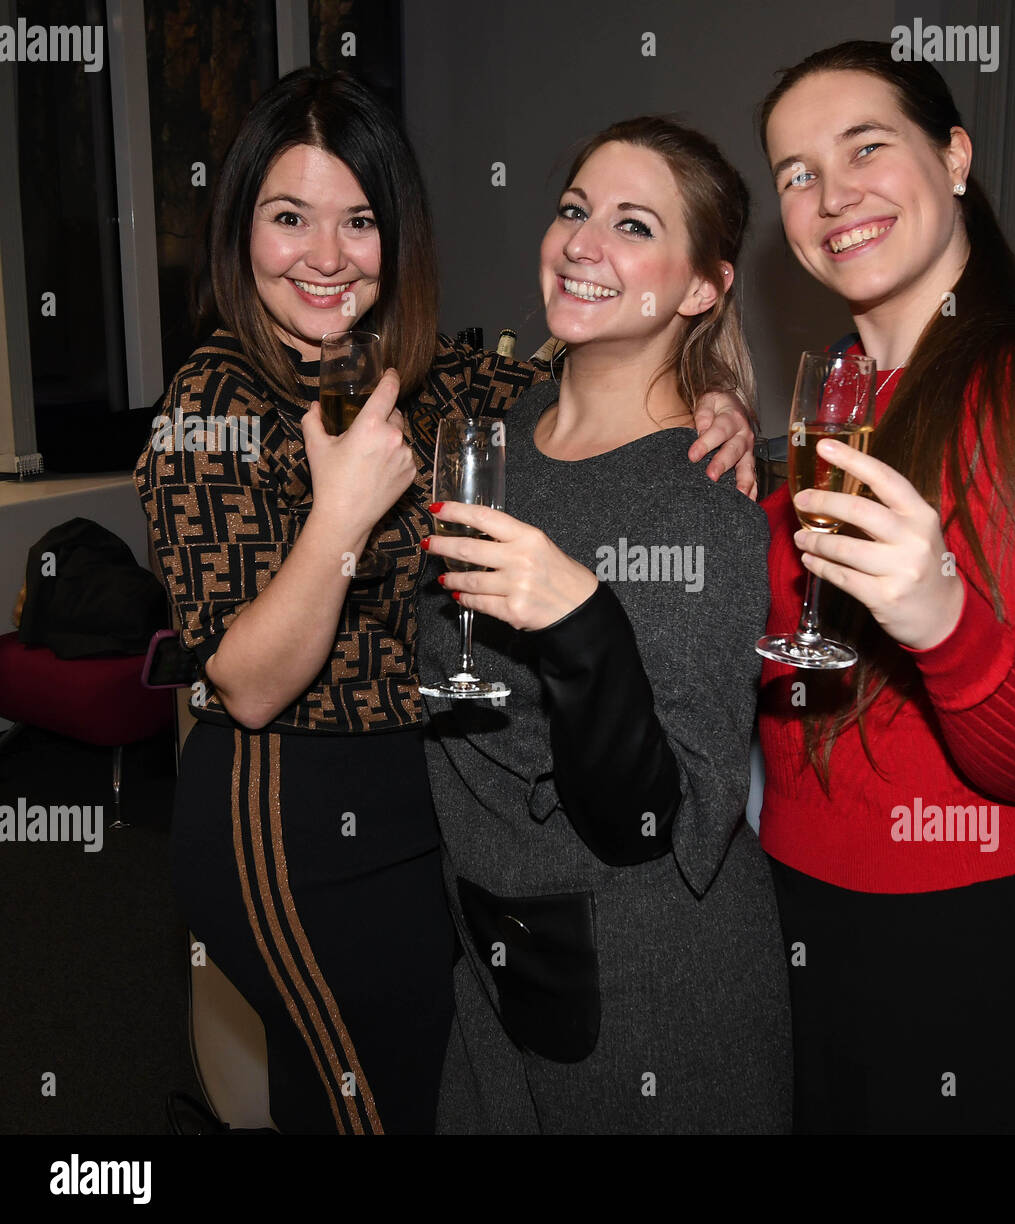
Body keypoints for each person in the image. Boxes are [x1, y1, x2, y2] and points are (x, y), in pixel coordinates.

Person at [134, 69, 756, 1134]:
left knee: (400, 1089)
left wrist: (714, 394)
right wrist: (338, 517)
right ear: (241, 228)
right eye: (290, 218)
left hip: (415, 812)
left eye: (359, 221)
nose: (326, 257)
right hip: (290, 819)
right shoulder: (214, 402)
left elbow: (589, 399)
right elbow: (244, 685)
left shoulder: (431, 379)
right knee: (366, 1105)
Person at [755, 41, 1015, 1133]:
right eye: (795, 173)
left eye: (866, 148)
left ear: (954, 156)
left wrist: (943, 622)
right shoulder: (836, 401)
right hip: (797, 918)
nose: (830, 196)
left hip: (965, 952)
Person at [419, 116, 791, 1134]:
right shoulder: (490, 443)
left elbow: (657, 822)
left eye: (633, 225)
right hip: (492, 956)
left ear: (702, 286)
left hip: (648, 990)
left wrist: (580, 617)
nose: (583, 244)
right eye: (574, 210)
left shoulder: (701, 498)